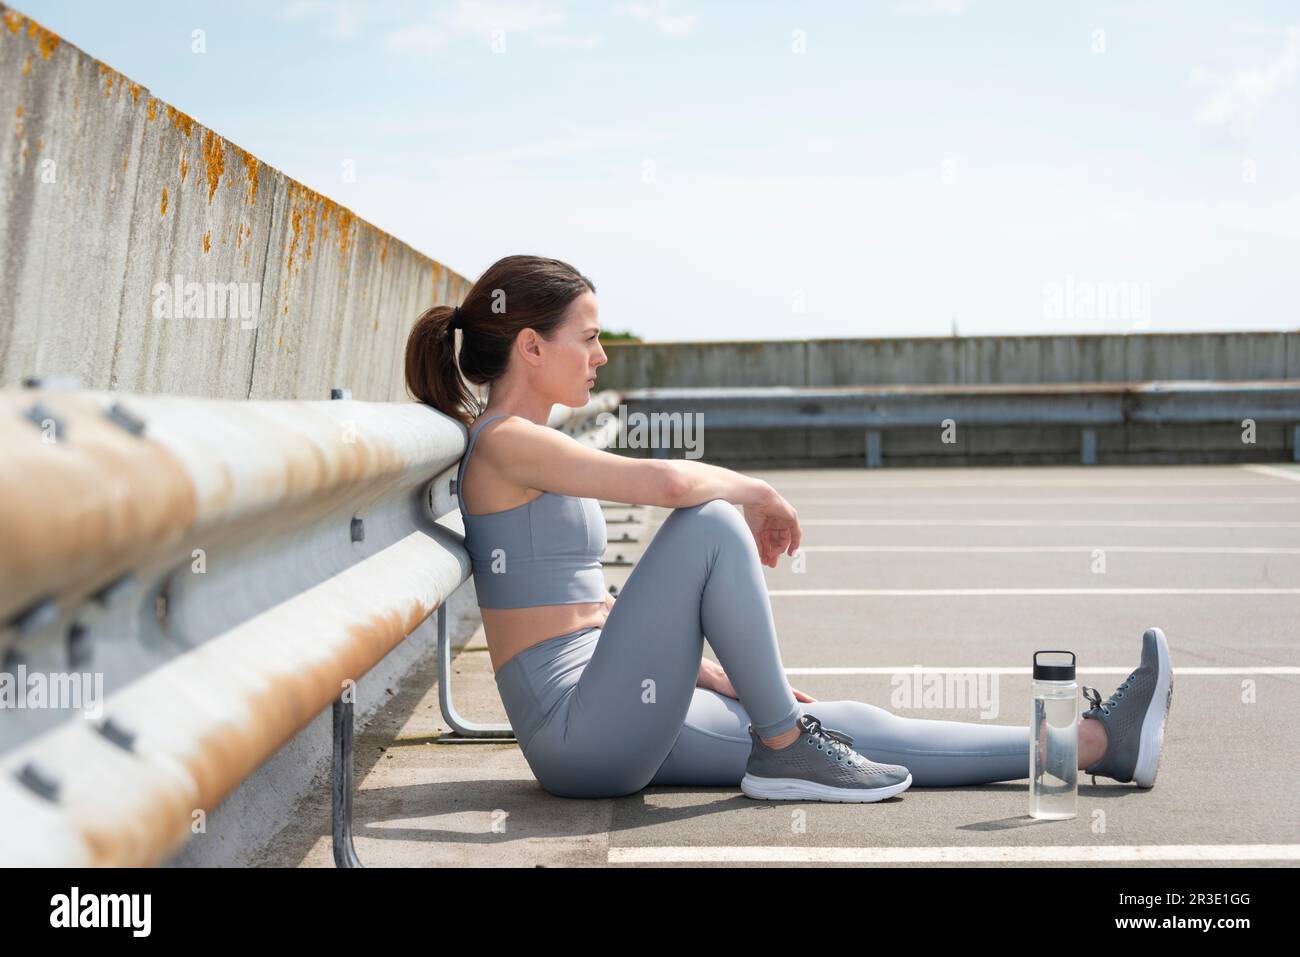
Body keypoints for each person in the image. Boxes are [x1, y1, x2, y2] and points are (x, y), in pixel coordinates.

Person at [404, 254, 1173, 802]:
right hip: (579, 732)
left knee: (842, 722)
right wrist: (759, 491)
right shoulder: (505, 441)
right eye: (589, 336)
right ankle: (783, 749)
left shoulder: (532, 443)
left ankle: (1094, 746)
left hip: (609, 697)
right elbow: (669, 484)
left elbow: (582, 607)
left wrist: (713, 675)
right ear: (532, 347)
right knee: (708, 521)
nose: (603, 354)